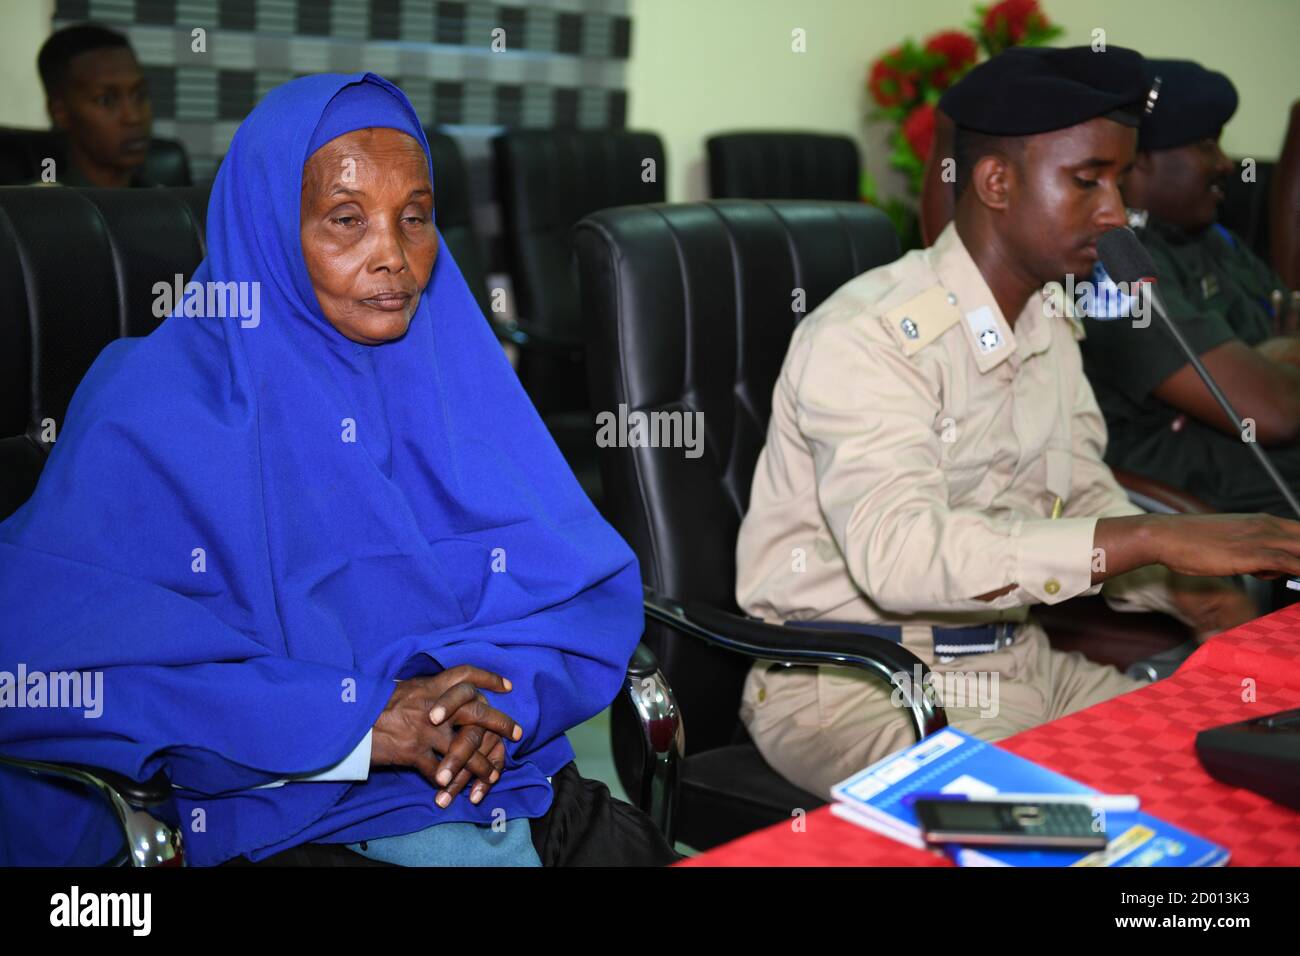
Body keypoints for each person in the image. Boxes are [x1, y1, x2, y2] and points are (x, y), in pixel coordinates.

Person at [0, 73, 676, 868]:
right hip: (278, 813)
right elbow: (50, 675)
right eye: (346, 221)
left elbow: (569, 585)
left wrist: (493, 703)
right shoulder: (150, 409)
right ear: (270, 231)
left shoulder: (450, 370)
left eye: (415, 219)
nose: (393, 258)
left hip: (500, 782)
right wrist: (354, 720)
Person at [733, 46, 1300, 801]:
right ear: (996, 181)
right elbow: (898, 556)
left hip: (1017, 662)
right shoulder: (868, 335)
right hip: (859, 683)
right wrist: (1153, 536)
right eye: (1087, 180)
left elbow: (1079, 496)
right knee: (1059, 828)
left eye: (1121, 181)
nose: (1115, 212)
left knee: (1219, 770)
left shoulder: (1047, 321)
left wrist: (1182, 587)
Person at [1078, 59, 1300, 517]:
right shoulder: (1112, 265)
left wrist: (1264, 359)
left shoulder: (1211, 237)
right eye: (1205, 146)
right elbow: (1272, 412)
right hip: (1185, 483)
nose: (1225, 163)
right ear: (1138, 159)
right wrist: (1264, 360)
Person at [36, 22, 155, 188]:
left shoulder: (171, 204)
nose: (134, 117)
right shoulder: (26, 209)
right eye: (106, 100)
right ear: (60, 113)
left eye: (140, 95)